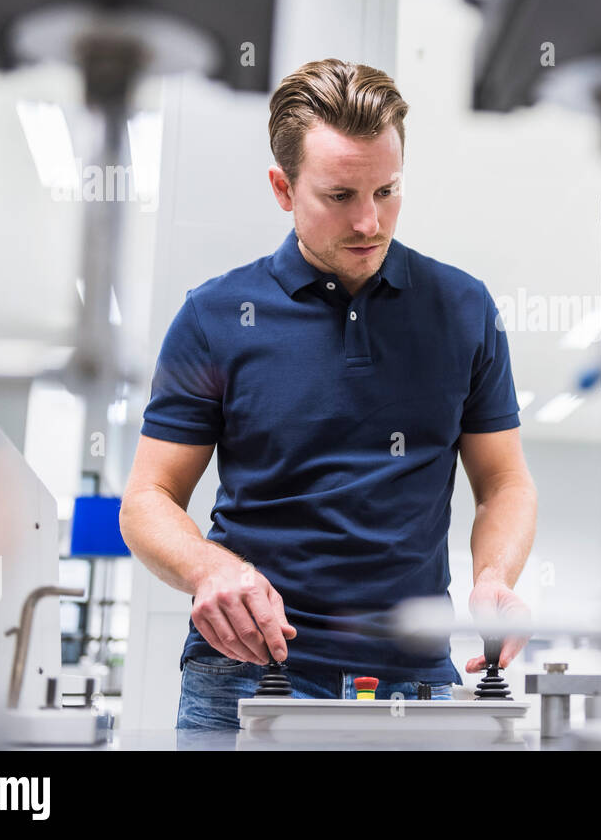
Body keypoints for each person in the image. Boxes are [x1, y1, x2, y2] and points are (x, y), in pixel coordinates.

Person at [120, 58, 537, 730]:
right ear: (283, 189)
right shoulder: (215, 317)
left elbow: (505, 481)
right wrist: (207, 567)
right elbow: (146, 500)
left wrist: (494, 575)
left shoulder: (464, 309)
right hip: (247, 678)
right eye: (340, 196)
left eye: (388, 190)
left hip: (415, 682)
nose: (370, 222)